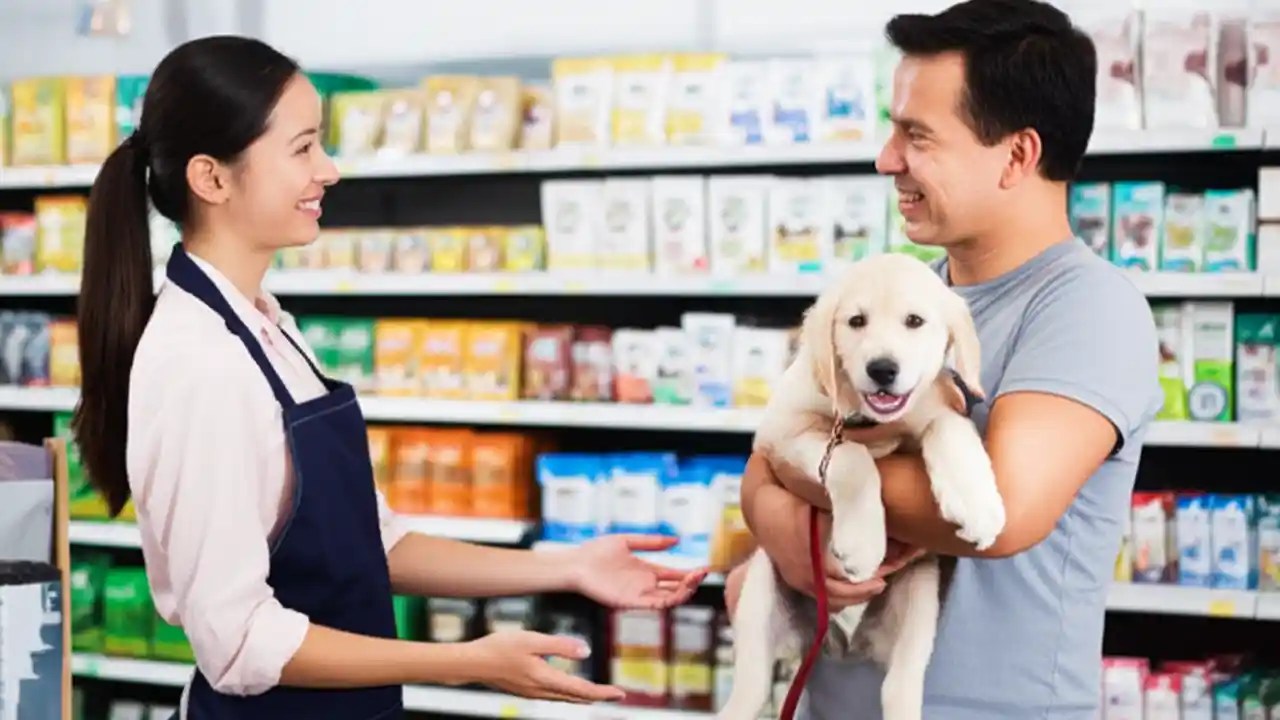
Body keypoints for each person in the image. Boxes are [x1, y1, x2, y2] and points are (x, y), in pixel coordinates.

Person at [71, 35, 706, 720]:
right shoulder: (199, 363)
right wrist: (466, 662)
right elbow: (239, 643)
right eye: (303, 148)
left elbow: (368, 542)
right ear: (212, 178)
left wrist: (567, 566)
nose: (330, 170)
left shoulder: (265, 326)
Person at [724, 0, 1163, 718]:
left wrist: (799, 483)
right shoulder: (902, 296)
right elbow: (768, 453)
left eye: (917, 136)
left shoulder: (1089, 309)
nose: (886, 158)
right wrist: (777, 524)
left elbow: (1003, 513)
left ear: (1017, 154)